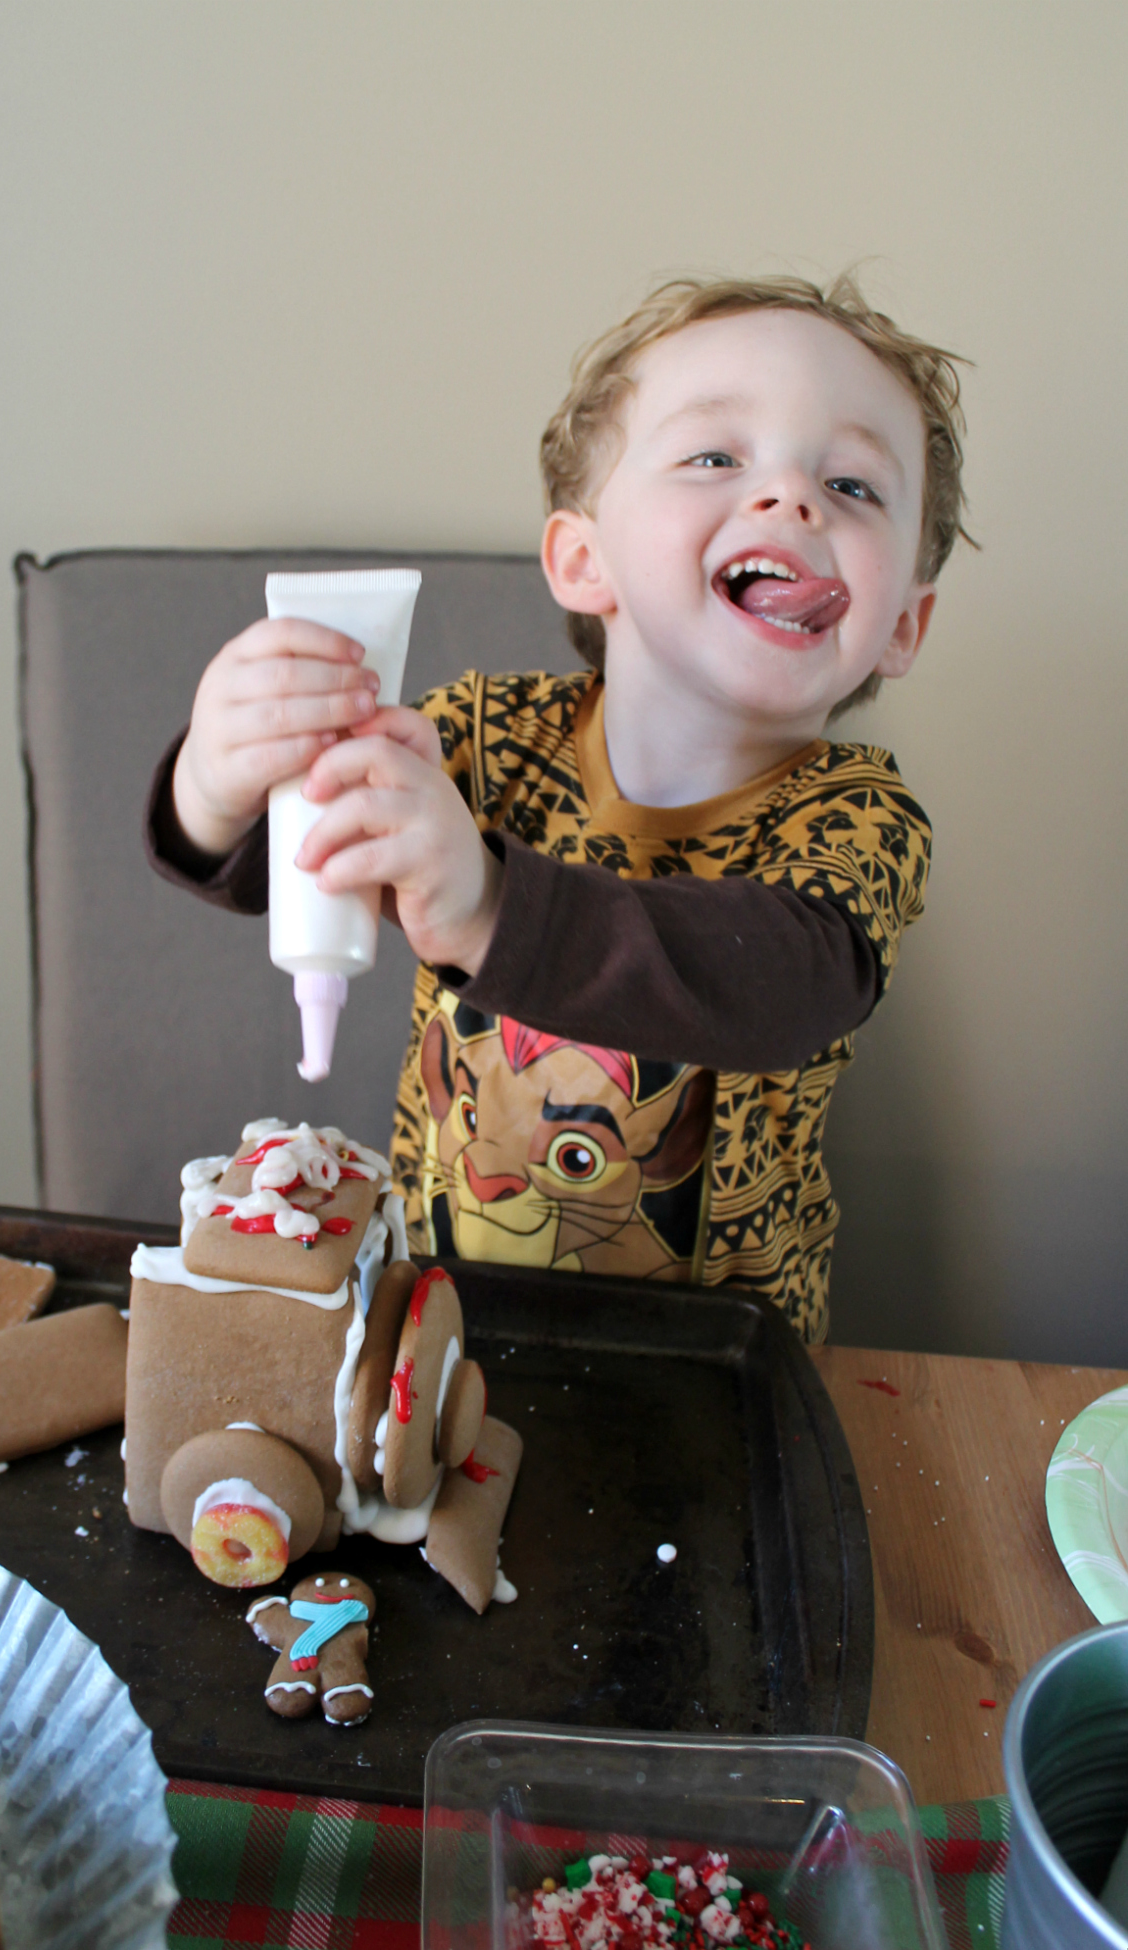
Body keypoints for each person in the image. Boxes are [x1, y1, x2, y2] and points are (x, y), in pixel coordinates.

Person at [147, 273, 970, 1341]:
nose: (793, 499)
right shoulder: (481, 738)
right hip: (440, 1325)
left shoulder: (858, 818)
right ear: (583, 560)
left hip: (718, 1370)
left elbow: (784, 987)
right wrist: (214, 781)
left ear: (901, 624)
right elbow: (297, 860)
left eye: (855, 485)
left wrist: (491, 908)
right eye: (717, 456)